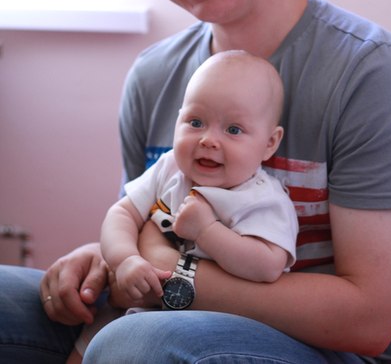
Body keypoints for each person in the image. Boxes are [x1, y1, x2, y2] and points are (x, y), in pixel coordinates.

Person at [1, 0, 391, 364]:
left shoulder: (372, 75)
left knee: (136, 343)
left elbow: (370, 320)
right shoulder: (154, 75)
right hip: (163, 308)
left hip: (326, 349)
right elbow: (149, 225)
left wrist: (167, 274)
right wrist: (106, 258)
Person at [68, 50, 298, 362]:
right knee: (85, 349)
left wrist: (207, 231)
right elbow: (122, 213)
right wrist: (125, 260)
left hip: (211, 323)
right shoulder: (169, 168)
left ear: (270, 143)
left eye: (233, 130)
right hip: (133, 305)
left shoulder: (263, 199)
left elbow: (268, 265)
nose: (208, 140)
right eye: (195, 122)